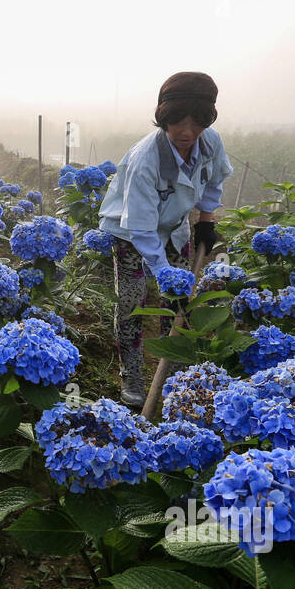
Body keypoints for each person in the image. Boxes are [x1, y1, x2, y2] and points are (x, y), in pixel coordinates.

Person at [97, 72, 234, 406]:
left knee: (178, 303)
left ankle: (171, 375)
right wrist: (162, 272)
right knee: (133, 303)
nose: (186, 132)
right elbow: (141, 228)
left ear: (207, 120)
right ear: (163, 117)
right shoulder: (147, 159)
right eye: (177, 122)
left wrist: (205, 220)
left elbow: (213, 180)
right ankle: (131, 377)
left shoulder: (210, 142)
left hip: (174, 227)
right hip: (130, 232)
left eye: (197, 122)